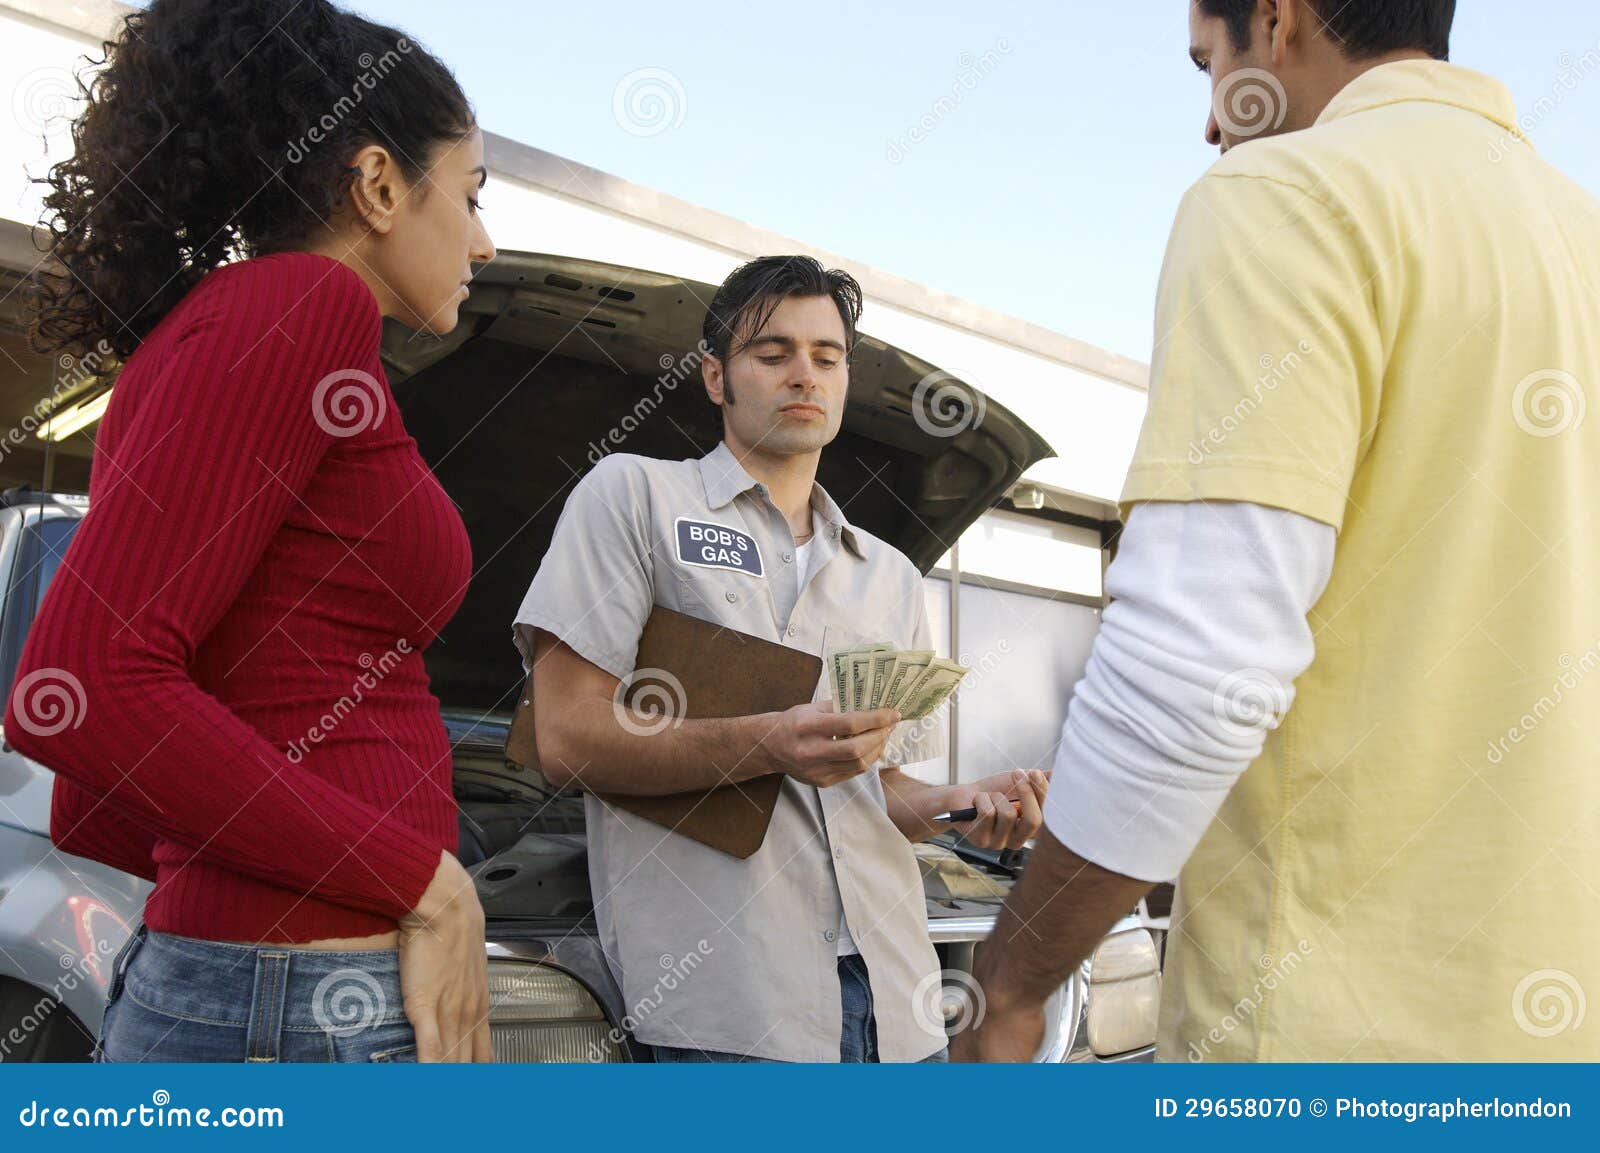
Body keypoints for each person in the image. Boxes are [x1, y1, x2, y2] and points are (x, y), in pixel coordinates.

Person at [955, 0, 1600, 1062]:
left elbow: (1200, 663)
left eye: (1208, 63)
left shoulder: (1287, 194)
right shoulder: (1577, 238)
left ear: (1278, 17)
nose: (1213, 122)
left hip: (1336, 1046)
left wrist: (1013, 979)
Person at [4, 0, 497, 1062]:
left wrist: (233, 870)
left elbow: (96, 805)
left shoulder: (215, 331)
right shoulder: (302, 307)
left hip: (265, 981)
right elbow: (85, 684)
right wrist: (423, 880)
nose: (484, 242)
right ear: (375, 185)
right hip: (311, 998)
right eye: (469, 195)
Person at [512, 255, 1049, 1062]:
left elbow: (879, 795)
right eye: (773, 354)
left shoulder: (891, 576)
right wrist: (765, 743)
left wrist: (964, 801)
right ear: (714, 377)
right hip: (730, 1011)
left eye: (826, 357)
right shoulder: (636, 498)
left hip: (899, 1009)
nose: (804, 373)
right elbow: (564, 737)